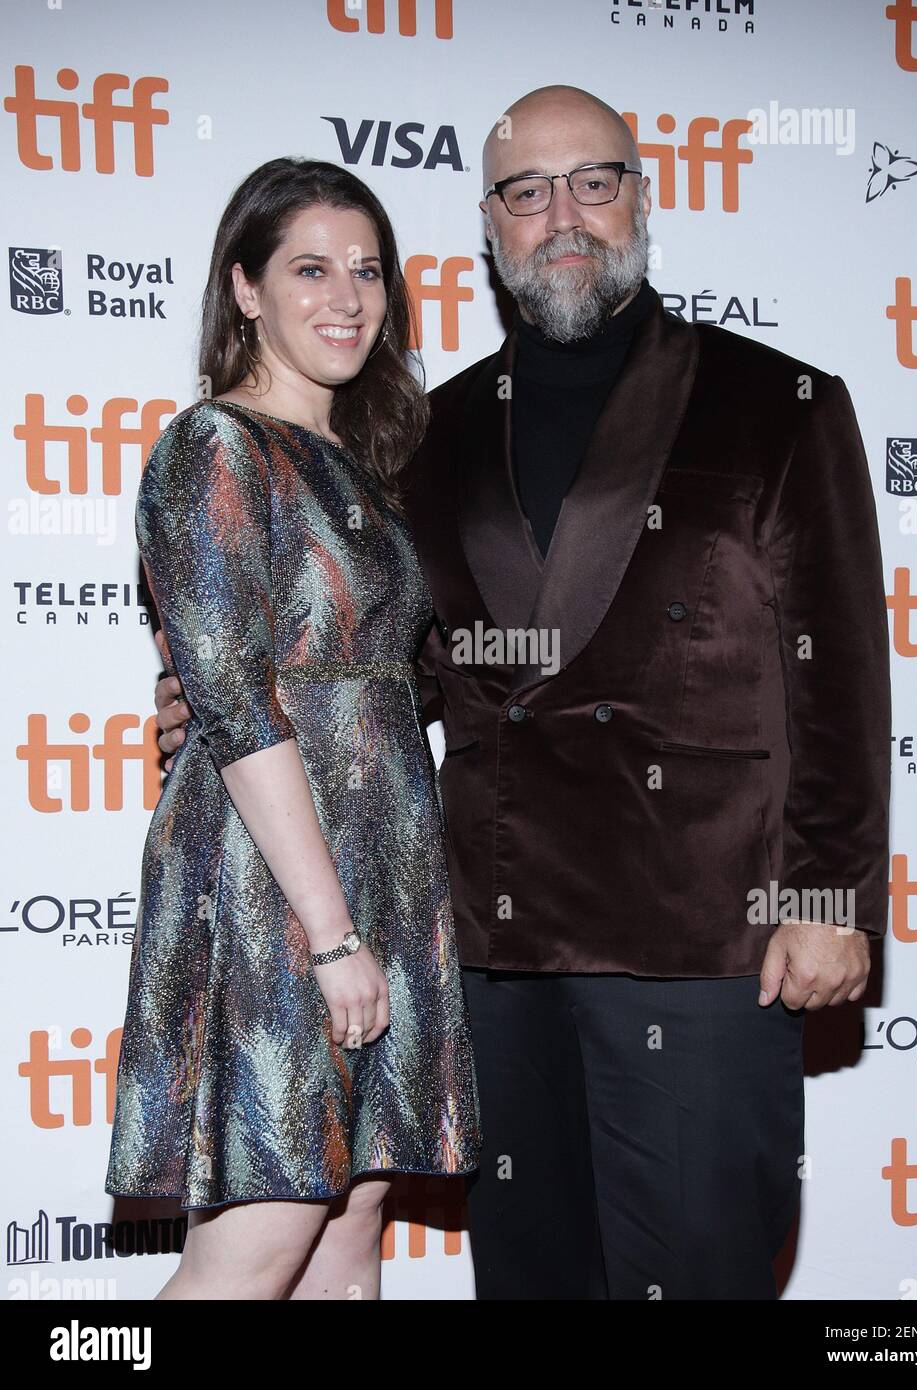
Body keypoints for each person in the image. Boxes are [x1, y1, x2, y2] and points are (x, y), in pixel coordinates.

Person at [156, 86, 892, 1301]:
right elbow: (394, 655)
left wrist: (830, 897)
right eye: (526, 191)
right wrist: (222, 699)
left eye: (593, 182)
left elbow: (841, 674)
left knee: (700, 1272)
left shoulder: (777, 403)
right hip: (493, 940)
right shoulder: (429, 432)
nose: (563, 216)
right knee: (535, 1278)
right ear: (489, 223)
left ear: (642, 199)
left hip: (701, 941)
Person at [106, 156, 481, 1301]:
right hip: (280, 884)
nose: (346, 296)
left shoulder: (369, 472)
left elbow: (395, 682)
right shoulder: (215, 447)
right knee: (264, 1230)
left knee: (353, 1220)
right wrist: (329, 933)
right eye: (309, 267)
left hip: (388, 865)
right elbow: (231, 695)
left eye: (366, 271)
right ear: (247, 289)